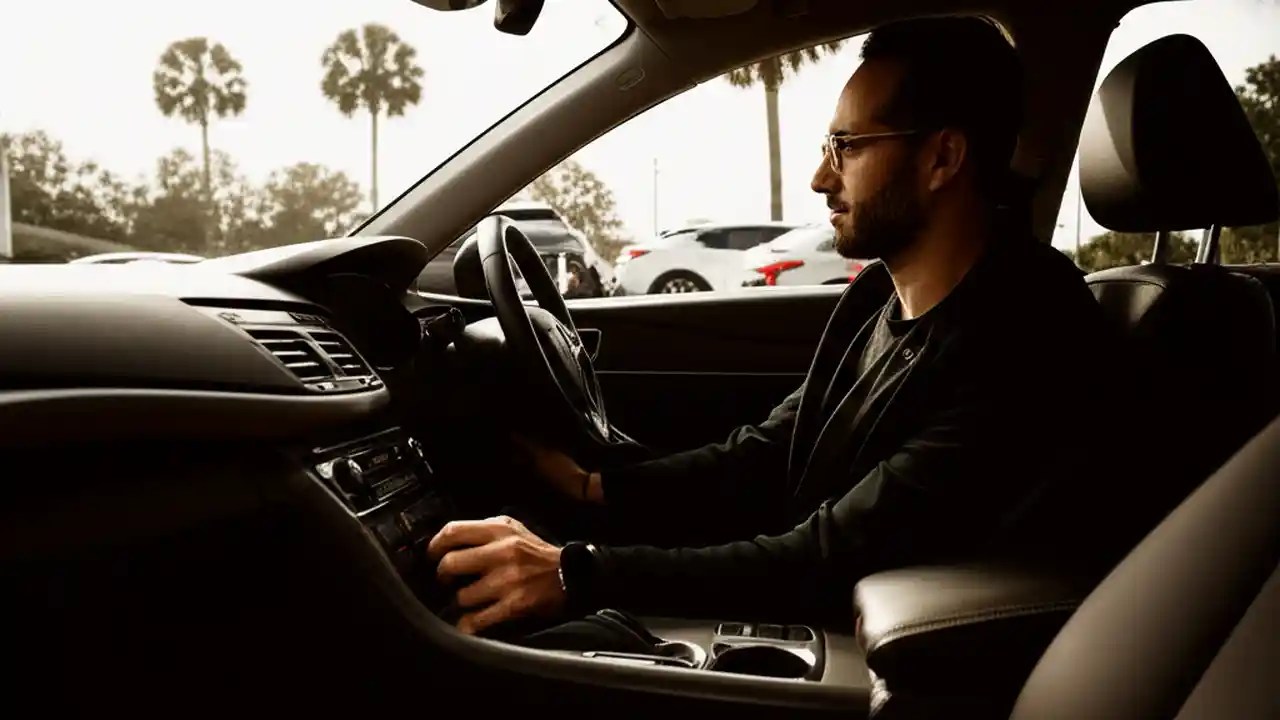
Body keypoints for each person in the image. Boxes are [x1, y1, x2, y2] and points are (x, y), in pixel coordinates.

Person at [427, 16, 1109, 637]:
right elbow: (772, 451)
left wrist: (578, 572)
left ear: (943, 159)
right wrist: (593, 489)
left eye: (846, 146)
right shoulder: (882, 294)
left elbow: (828, 556)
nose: (820, 177)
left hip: (890, 655)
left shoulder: (1025, 331)